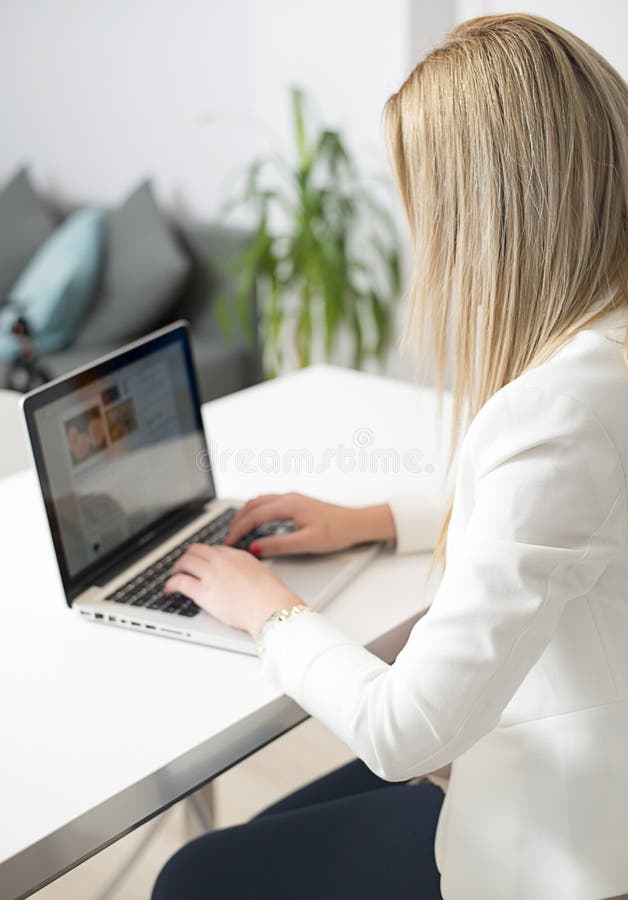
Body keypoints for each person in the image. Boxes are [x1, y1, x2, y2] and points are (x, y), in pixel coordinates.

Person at [152, 14, 628, 900]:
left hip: (559, 847)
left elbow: (409, 733)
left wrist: (270, 611)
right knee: (257, 838)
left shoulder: (559, 410)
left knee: (197, 879)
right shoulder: (605, 359)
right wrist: (373, 520)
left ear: (487, 219)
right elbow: (584, 514)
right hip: (589, 768)